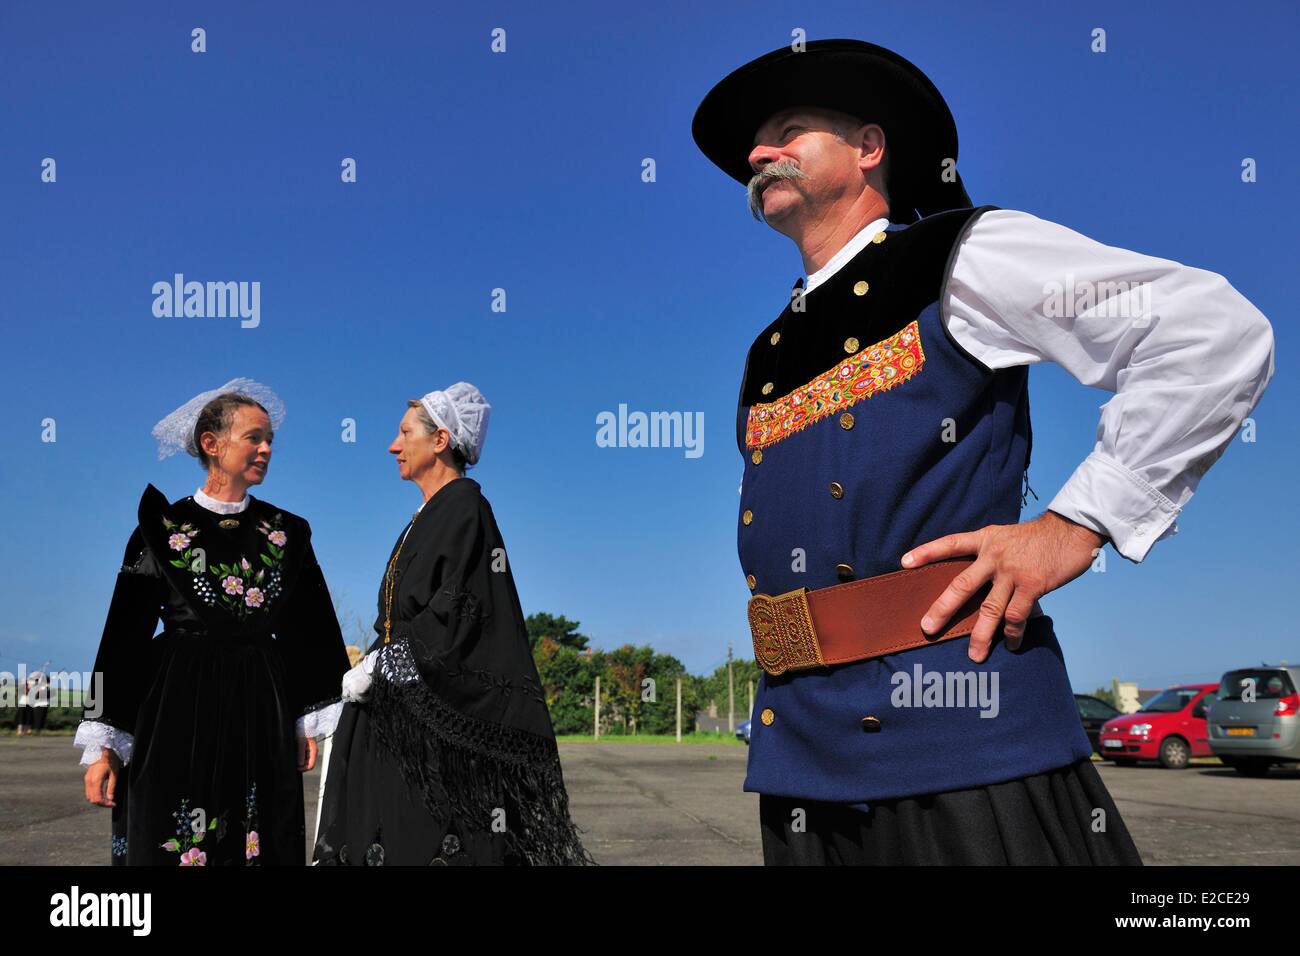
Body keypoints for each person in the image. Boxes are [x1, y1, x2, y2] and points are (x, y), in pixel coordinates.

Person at [691, 39, 1275, 865]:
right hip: (800, 758)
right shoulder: (767, 350)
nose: (758, 154)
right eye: (755, 146)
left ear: (869, 148)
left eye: (788, 130)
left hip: (962, 739)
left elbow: (1209, 331)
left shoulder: (959, 254)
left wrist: (1077, 523)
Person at [75, 378, 351, 865]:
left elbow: (310, 629)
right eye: (254, 438)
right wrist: (102, 748)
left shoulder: (287, 533)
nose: (267, 448)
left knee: (259, 831)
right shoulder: (159, 530)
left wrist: (303, 718)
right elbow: (122, 638)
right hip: (178, 701)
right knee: (175, 825)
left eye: (270, 440)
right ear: (212, 444)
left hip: (260, 703)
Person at [313, 383, 591, 866]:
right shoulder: (429, 515)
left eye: (404, 433)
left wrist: (381, 667)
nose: (392, 445)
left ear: (440, 441)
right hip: (398, 713)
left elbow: (454, 619)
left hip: (429, 729)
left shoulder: (465, 509)